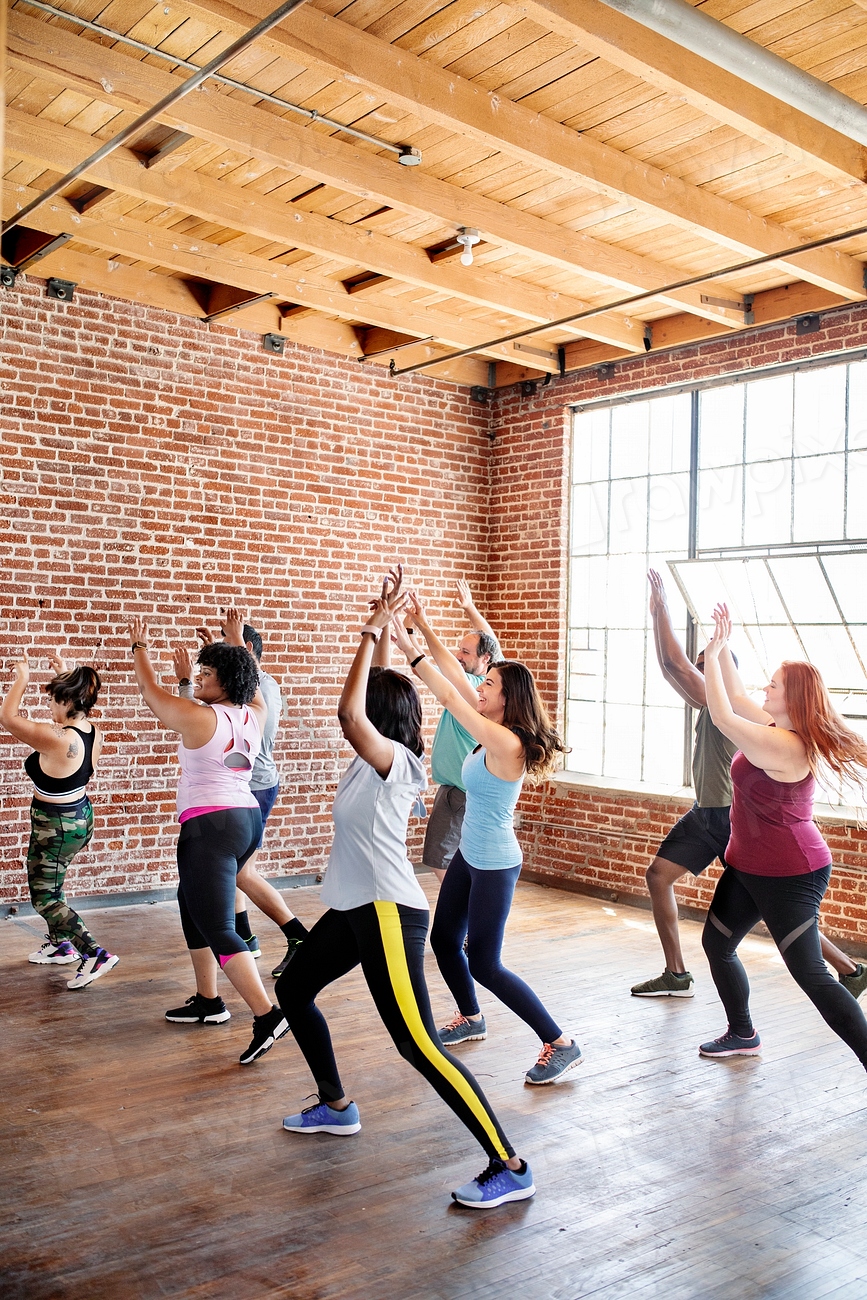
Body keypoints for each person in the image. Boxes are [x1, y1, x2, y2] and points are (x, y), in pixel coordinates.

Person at [276, 576, 535, 1209]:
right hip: (355, 908)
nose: (359, 707)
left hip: (390, 911)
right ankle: (337, 1106)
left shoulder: (395, 759)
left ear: (380, 719)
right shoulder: (374, 758)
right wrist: (389, 626)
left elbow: (351, 712)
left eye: (370, 703)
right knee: (292, 988)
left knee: (417, 1042)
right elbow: (373, 699)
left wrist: (372, 637)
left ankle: (509, 1163)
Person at [632, 570, 867, 1001]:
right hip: (709, 813)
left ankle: (848, 969)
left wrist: (662, 608)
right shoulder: (748, 712)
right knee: (670, 883)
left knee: (778, 921)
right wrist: (706, 639)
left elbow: (677, 668)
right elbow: (696, 679)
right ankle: (683, 979)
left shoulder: (738, 715)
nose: (697, 674)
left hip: (735, 821)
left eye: (707, 668)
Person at [392, 603, 580, 1085]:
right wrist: (416, 642)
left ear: (506, 699)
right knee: (443, 939)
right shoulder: (492, 732)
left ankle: (560, 1042)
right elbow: (458, 683)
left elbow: (453, 696)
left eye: (489, 685)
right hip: (469, 857)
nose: (480, 688)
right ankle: (471, 1018)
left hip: (495, 862)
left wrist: (412, 650)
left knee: (486, 963)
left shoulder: (507, 742)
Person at [697, 604, 867, 1063]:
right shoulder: (776, 726)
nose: (764, 688)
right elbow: (732, 700)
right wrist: (724, 645)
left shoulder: (786, 744)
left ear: (793, 699)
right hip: (749, 865)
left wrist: (712, 657)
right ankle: (742, 1033)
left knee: (811, 974)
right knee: (717, 943)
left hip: (790, 871)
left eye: (773, 684)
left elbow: (721, 717)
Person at [128, 611, 288, 1065]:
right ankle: (208, 1001)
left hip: (211, 828)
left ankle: (267, 1016)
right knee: (190, 903)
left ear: (226, 681)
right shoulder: (254, 713)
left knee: (218, 926)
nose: (199, 676)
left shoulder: (203, 719)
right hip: (243, 819)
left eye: (207, 673)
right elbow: (236, 691)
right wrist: (231, 648)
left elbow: (150, 695)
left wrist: (141, 649)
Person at [182, 615, 307, 977]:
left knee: (240, 873)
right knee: (235, 873)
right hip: (240, 788)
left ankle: (297, 935)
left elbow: (233, 727)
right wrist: (212, 653)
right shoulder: (247, 687)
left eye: (228, 647)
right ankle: (247, 938)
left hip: (250, 787)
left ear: (245, 651)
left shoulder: (261, 689)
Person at [0, 653, 119, 990]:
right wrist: (65, 674)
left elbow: (7, 718)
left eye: (53, 698)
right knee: (54, 882)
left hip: (55, 827)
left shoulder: (56, 739)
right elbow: (73, 701)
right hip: (79, 819)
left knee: (44, 897)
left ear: (68, 700)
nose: (50, 705)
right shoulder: (92, 732)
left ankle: (93, 952)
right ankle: (59, 945)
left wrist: (21, 679)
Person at [419, 580, 500, 884]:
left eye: (466, 651)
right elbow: (489, 639)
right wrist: (469, 608)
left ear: (484, 659)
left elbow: (436, 664)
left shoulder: (471, 689)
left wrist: (417, 631)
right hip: (462, 789)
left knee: (438, 857)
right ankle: (463, 913)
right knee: (453, 856)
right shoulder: (494, 680)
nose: (458, 655)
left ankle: (460, 913)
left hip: (458, 791)